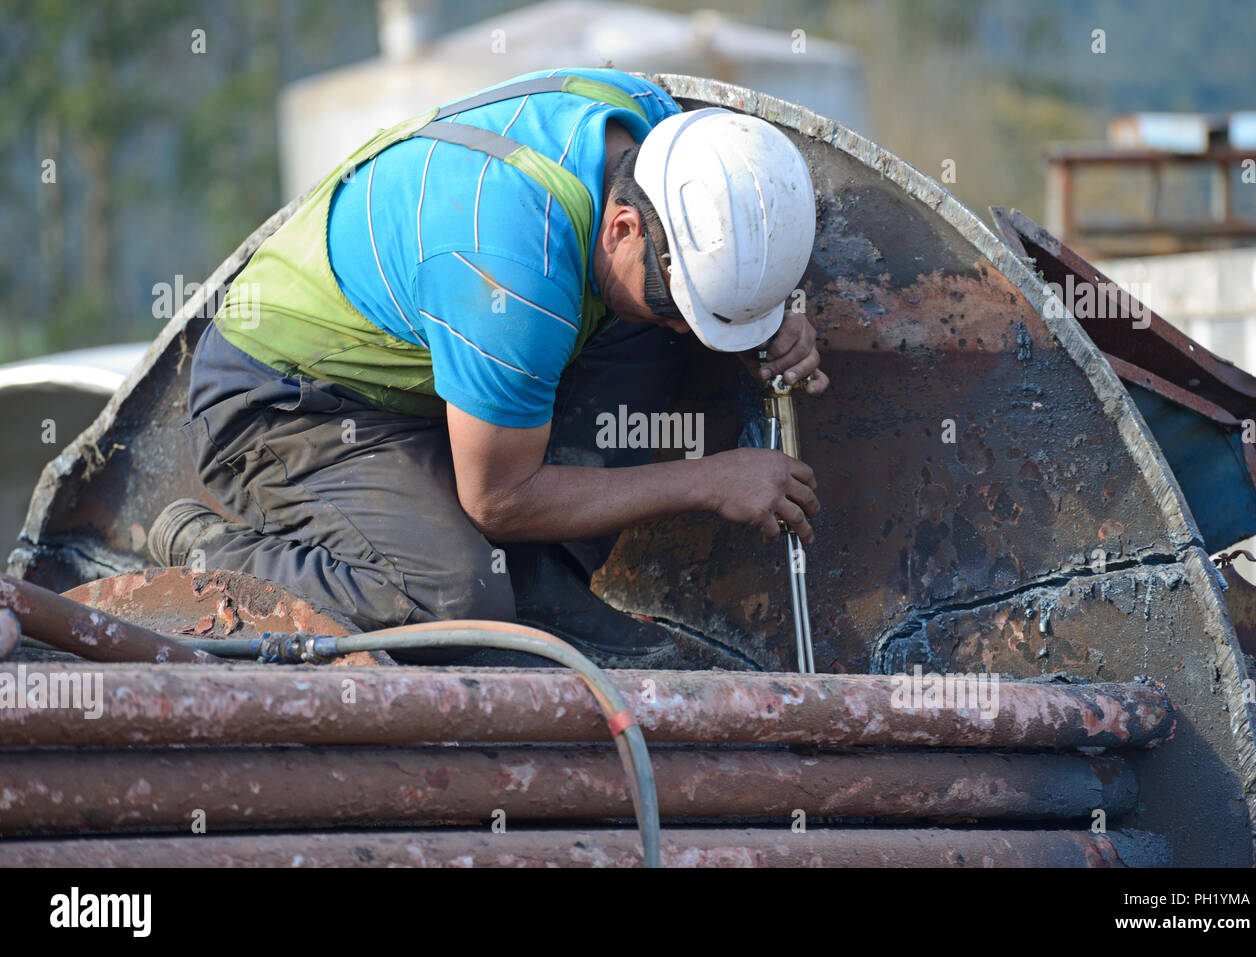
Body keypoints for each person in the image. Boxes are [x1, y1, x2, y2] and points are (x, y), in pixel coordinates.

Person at [148, 67, 827, 666]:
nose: (687, 328)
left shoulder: (654, 129)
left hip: (443, 344)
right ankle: (213, 548)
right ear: (622, 227)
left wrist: (758, 317)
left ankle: (540, 581)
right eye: (682, 305)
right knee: (456, 600)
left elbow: (695, 273)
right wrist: (710, 480)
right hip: (288, 399)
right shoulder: (509, 275)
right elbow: (498, 498)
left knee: (651, 328)